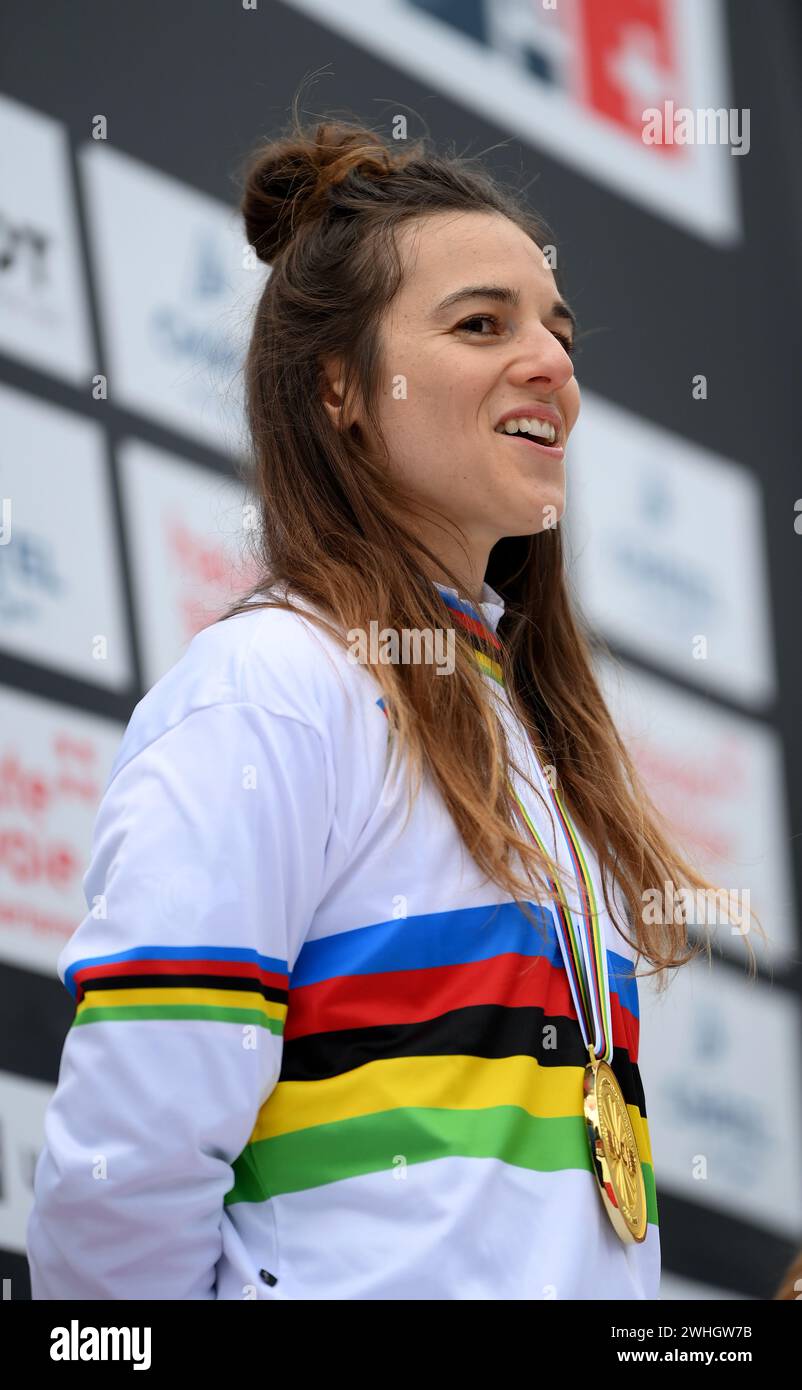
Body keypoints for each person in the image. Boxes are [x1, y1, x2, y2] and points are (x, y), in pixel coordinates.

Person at [26, 104, 758, 1301]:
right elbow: (122, 1185)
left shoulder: (530, 736)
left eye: (558, 330)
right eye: (482, 324)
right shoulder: (274, 690)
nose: (554, 365)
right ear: (339, 390)